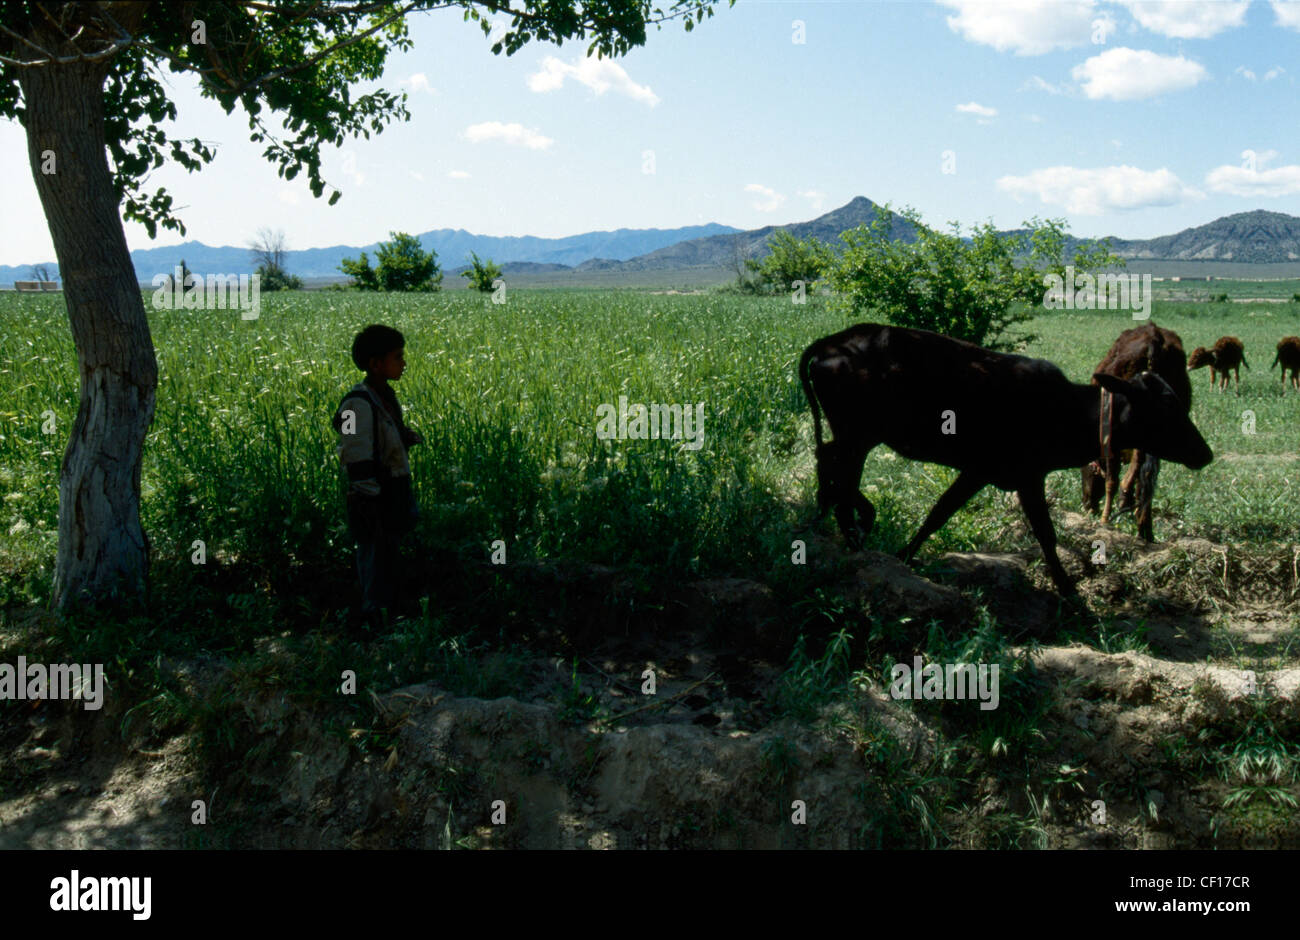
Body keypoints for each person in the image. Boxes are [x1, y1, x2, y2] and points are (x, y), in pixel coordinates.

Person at [332, 324, 424, 631]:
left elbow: (380, 439)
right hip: (373, 498)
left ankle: (388, 616)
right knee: (374, 560)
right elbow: (356, 456)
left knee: (388, 557)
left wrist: (402, 437)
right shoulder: (356, 404)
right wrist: (368, 500)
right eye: (397, 357)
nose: (404, 363)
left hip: (389, 494)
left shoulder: (381, 396)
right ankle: (373, 621)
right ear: (375, 364)